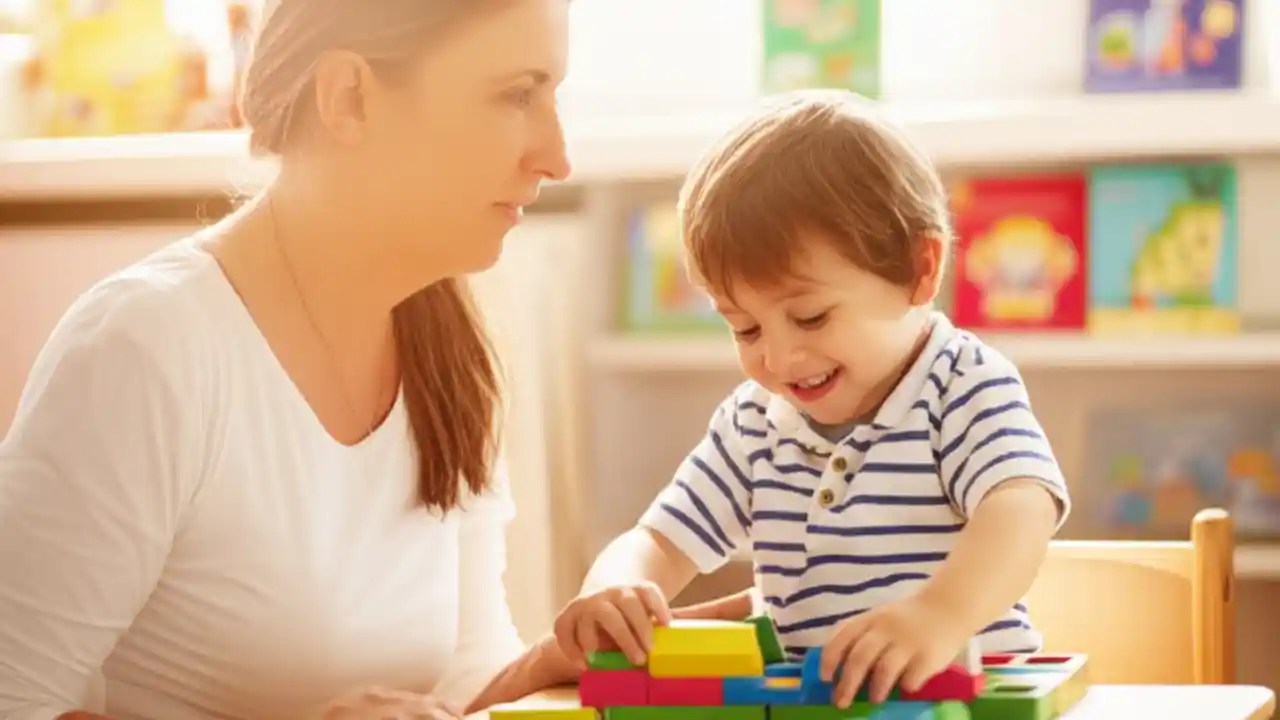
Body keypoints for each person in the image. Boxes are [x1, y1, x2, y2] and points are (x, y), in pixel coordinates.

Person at [0, 0, 577, 717]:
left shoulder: (445, 341)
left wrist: (561, 662)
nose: (557, 156)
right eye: (517, 95)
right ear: (349, 97)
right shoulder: (146, 350)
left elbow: (457, 684)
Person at [550, 90, 1072, 709]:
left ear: (918, 269)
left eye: (811, 317)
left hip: (958, 695)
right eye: (745, 328)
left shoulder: (961, 384)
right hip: (816, 703)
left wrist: (938, 616)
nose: (777, 358)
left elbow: (1022, 506)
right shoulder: (753, 423)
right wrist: (616, 586)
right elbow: (661, 540)